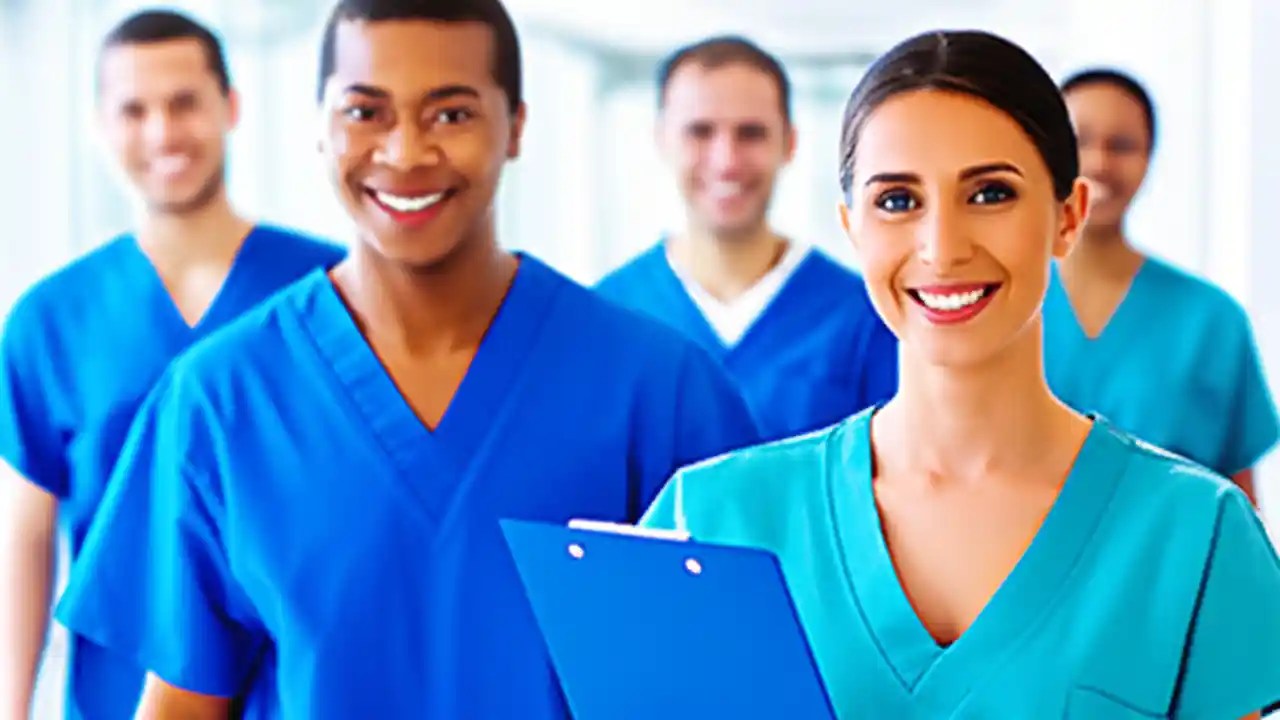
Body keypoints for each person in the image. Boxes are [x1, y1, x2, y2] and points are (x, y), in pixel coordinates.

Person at [54, 0, 759, 717]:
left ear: (515, 126)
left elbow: (737, 691)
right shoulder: (221, 400)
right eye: (366, 113)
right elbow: (184, 702)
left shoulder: (659, 392)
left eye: (451, 115)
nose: (405, 153)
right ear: (320, 128)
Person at [641, 30, 1280, 719]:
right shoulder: (709, 522)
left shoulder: (1195, 535)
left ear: (1068, 217)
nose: (942, 248)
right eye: (896, 201)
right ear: (852, 227)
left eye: (989, 193)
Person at [0, 10, 345, 719]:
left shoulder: (330, 295)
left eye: (184, 103)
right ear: (100, 124)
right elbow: (29, 534)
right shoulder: (50, 319)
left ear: (231, 107)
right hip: (117, 693)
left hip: (293, 691)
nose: (162, 133)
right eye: (134, 110)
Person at [596, 36, 897, 442]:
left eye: (751, 133)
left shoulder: (864, 320)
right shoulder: (607, 316)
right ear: (662, 139)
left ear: (789, 143)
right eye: (700, 132)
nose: (726, 161)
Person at [1042, 68, 1278, 501]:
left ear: (1151, 156)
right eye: (1081, 141)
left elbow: (1241, 507)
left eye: (1123, 145)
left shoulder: (1212, 320)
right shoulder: (996, 305)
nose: (1099, 162)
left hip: (1177, 566)